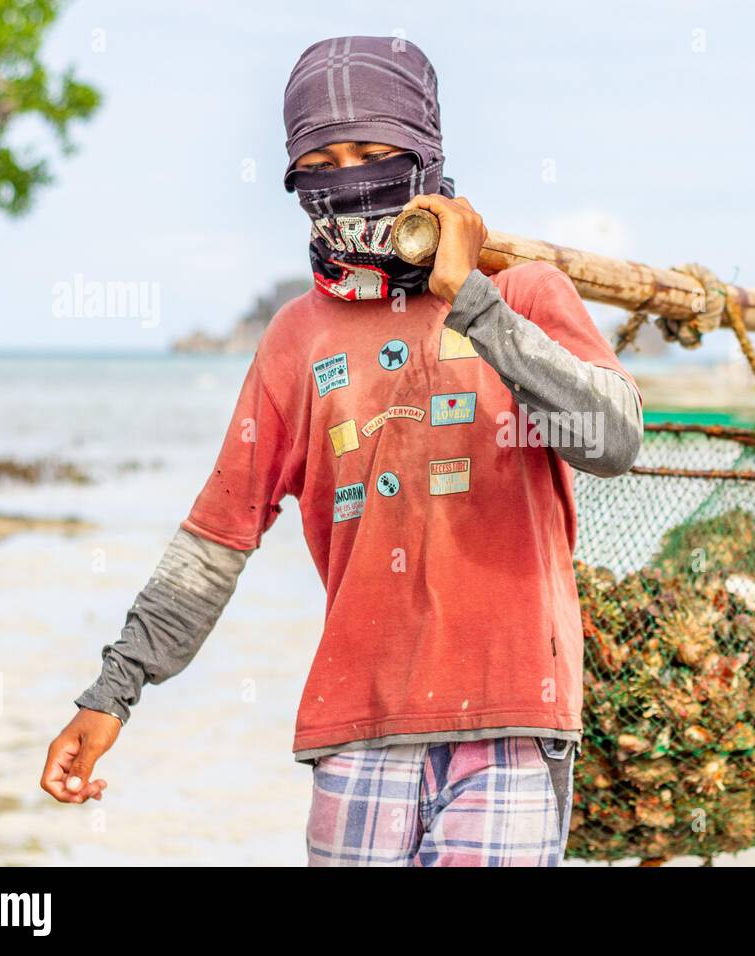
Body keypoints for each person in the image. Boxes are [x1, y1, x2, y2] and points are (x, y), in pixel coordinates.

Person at [39, 35, 645, 867]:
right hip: (356, 728)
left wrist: (471, 300)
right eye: (321, 159)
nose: (348, 175)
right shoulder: (298, 337)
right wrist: (115, 690)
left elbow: (612, 439)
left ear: (425, 154)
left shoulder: (525, 293)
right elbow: (218, 536)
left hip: (512, 722)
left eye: (373, 151)